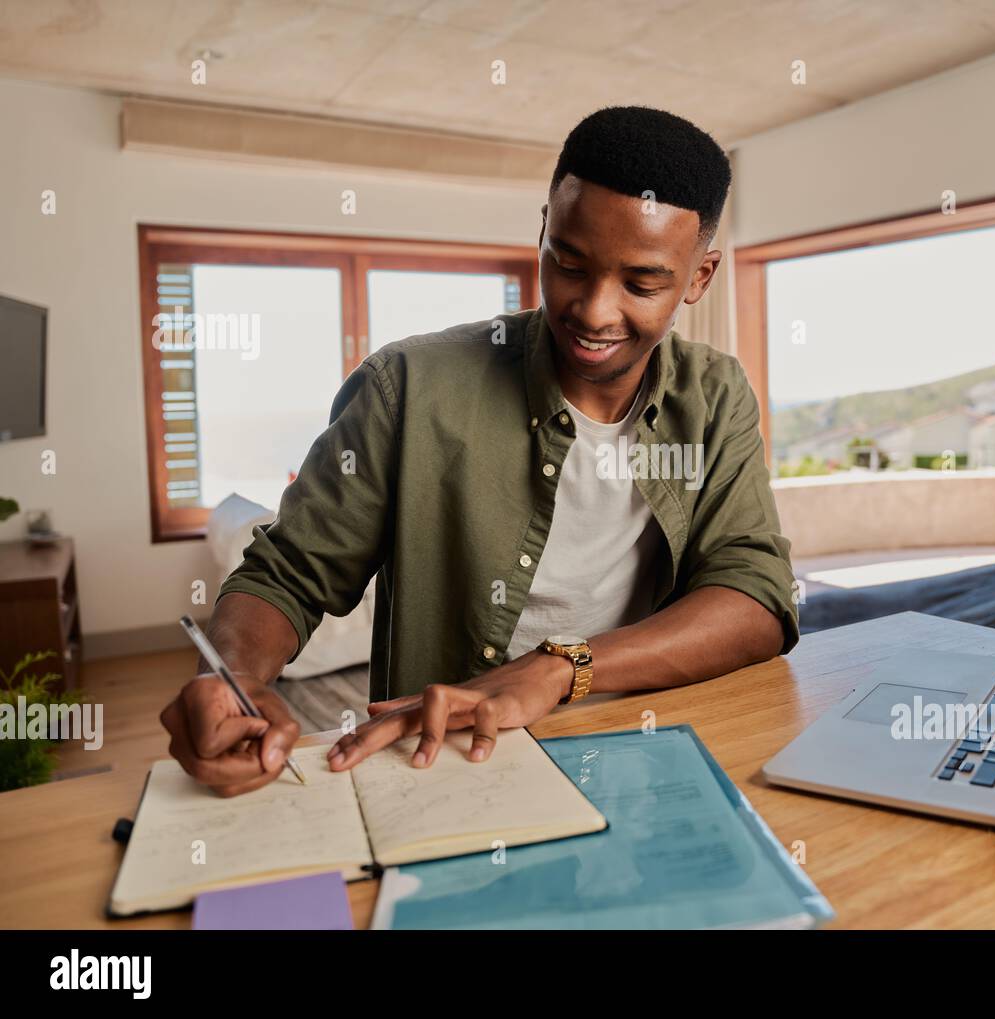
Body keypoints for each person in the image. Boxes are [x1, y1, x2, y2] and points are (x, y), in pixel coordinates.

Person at [161, 105, 799, 797]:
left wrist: (562, 666)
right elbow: (286, 575)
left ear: (699, 278)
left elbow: (756, 594)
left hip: (651, 753)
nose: (593, 310)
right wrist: (232, 676)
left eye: (641, 284)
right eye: (568, 262)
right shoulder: (407, 388)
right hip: (454, 764)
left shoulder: (715, 395)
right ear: (544, 232)